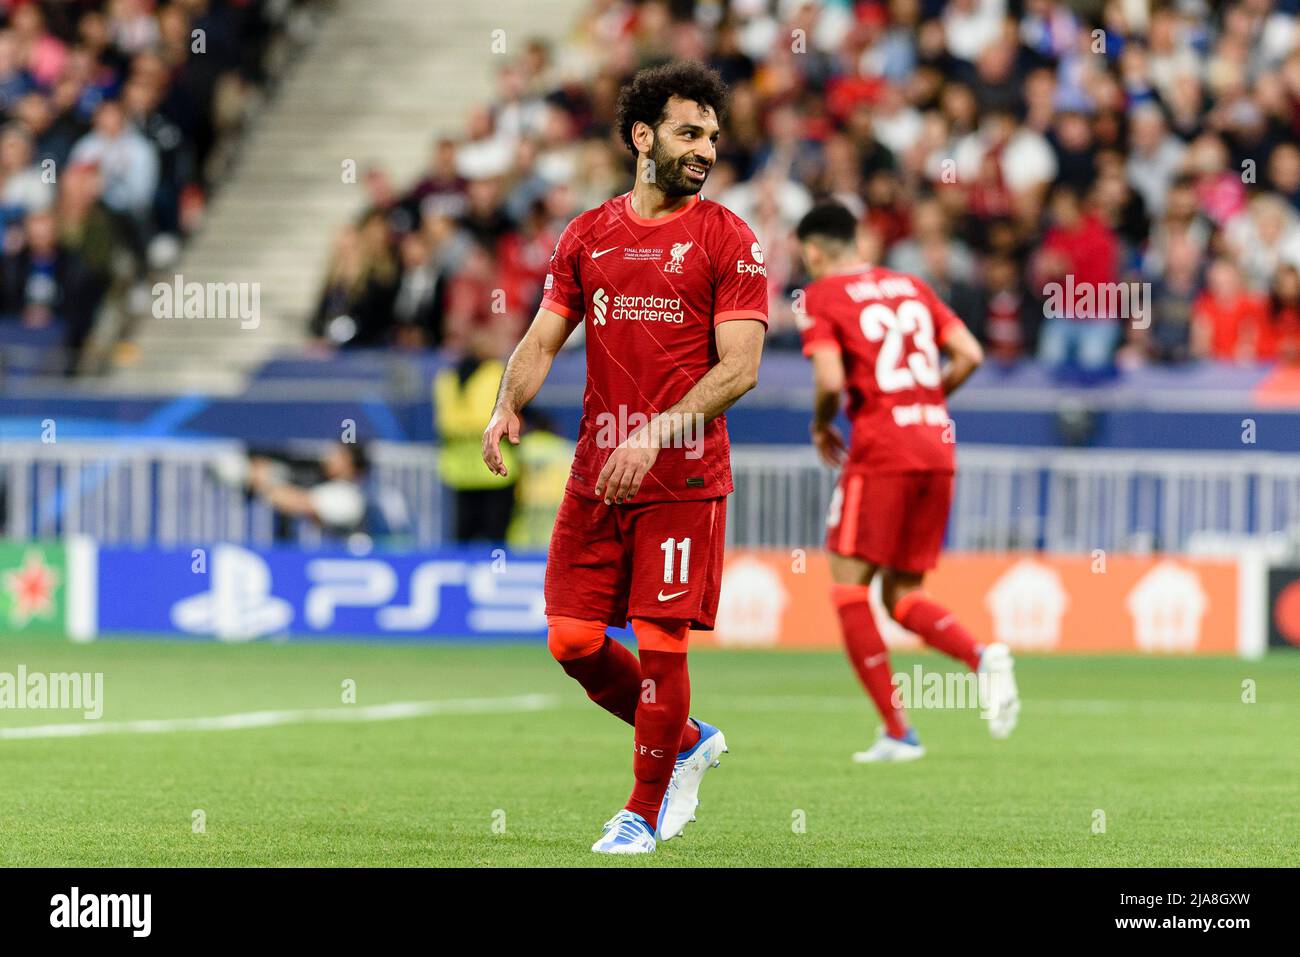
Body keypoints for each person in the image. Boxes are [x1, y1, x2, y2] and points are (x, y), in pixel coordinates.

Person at [481, 61, 767, 854]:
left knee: (660, 641)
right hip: (596, 474)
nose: (706, 148)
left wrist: (653, 434)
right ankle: (684, 736)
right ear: (643, 137)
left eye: (713, 135)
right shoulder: (590, 233)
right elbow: (543, 337)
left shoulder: (728, 238)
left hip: (681, 477)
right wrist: (507, 403)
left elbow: (740, 367)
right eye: (689, 133)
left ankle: (640, 812)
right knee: (571, 640)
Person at [793, 199, 1019, 763]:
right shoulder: (911, 285)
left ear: (814, 251)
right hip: (936, 446)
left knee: (847, 586)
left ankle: (898, 731)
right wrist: (924, 404)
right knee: (901, 595)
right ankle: (982, 657)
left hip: (883, 450)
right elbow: (968, 353)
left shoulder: (821, 296)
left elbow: (829, 377)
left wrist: (823, 424)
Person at [435, 332, 518, 543]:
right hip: (496, 470)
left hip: (461, 471)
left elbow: (446, 422)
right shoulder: (498, 373)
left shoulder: (446, 378)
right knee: (496, 539)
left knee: (463, 540)